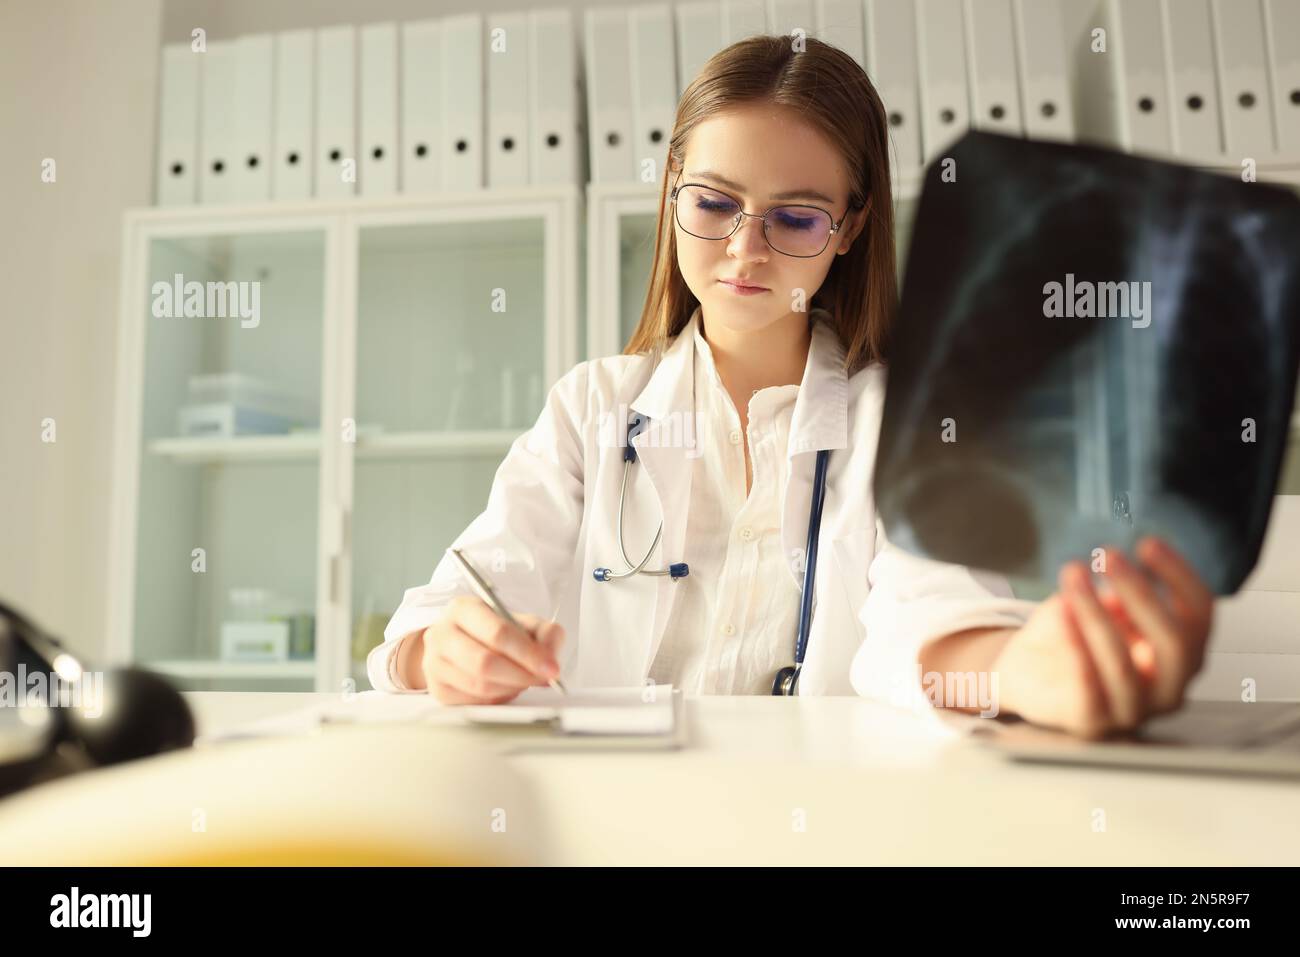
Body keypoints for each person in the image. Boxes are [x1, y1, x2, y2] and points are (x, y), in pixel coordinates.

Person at [368, 35, 1213, 739]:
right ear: (671, 196)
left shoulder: (898, 421)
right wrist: (439, 650)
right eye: (713, 203)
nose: (746, 249)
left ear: (848, 228)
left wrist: (1026, 668)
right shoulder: (593, 410)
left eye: (796, 217)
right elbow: (451, 603)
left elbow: (929, 618)